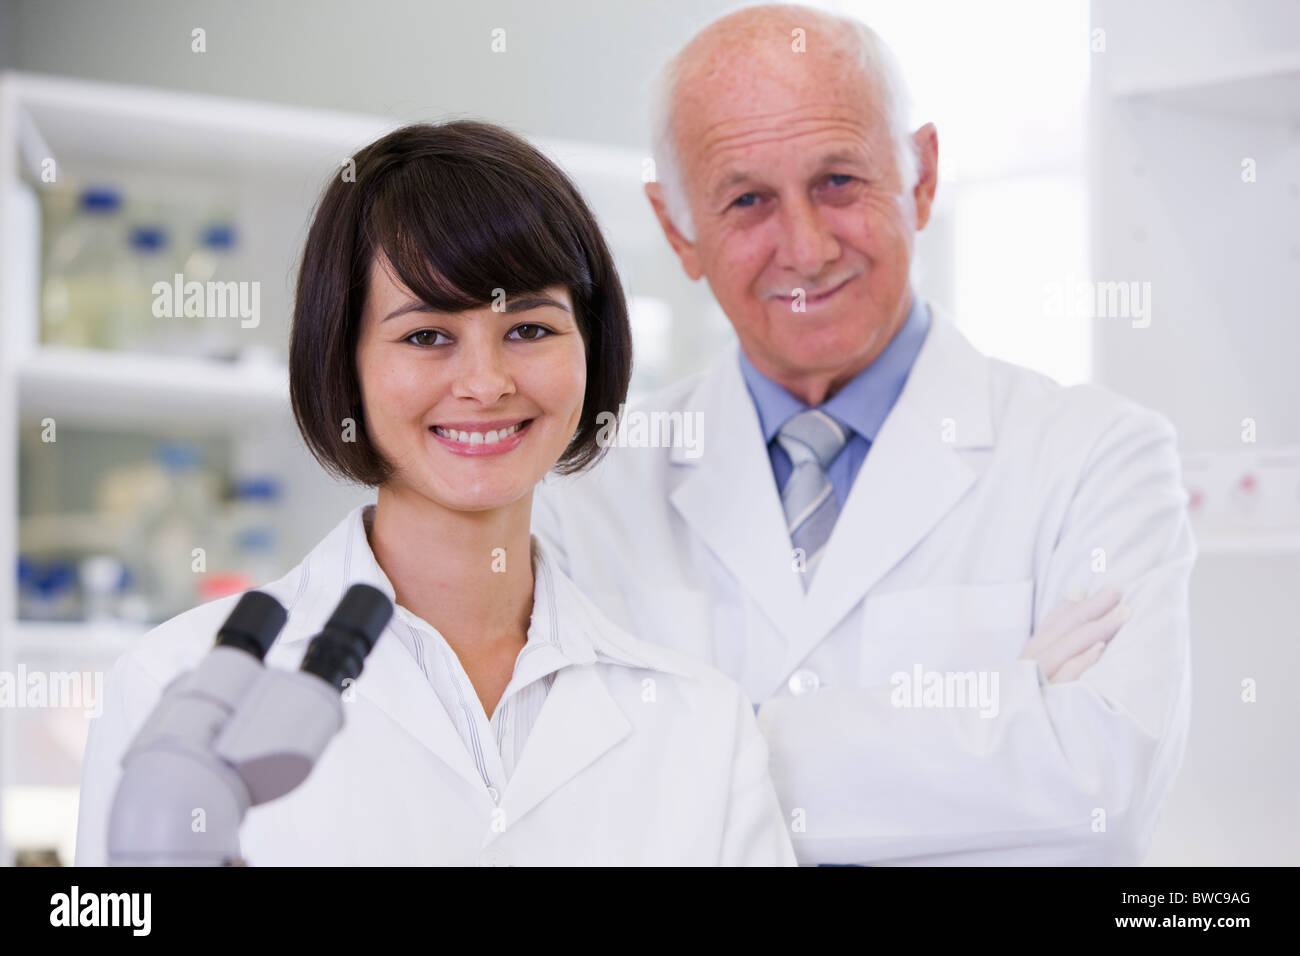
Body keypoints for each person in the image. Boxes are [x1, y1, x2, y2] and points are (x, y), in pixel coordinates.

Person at [532, 4, 1195, 865]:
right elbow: (556, 801)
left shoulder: (1099, 457)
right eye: (747, 200)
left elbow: (1103, 783)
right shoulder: (582, 485)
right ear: (678, 229)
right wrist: (1003, 713)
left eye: (839, 181)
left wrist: (695, 751)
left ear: (920, 177)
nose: (805, 249)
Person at [75, 121, 797, 866]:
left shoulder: (701, 724)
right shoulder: (176, 694)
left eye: (529, 328)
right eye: (426, 335)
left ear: (592, 344)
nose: (487, 382)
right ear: (342, 359)